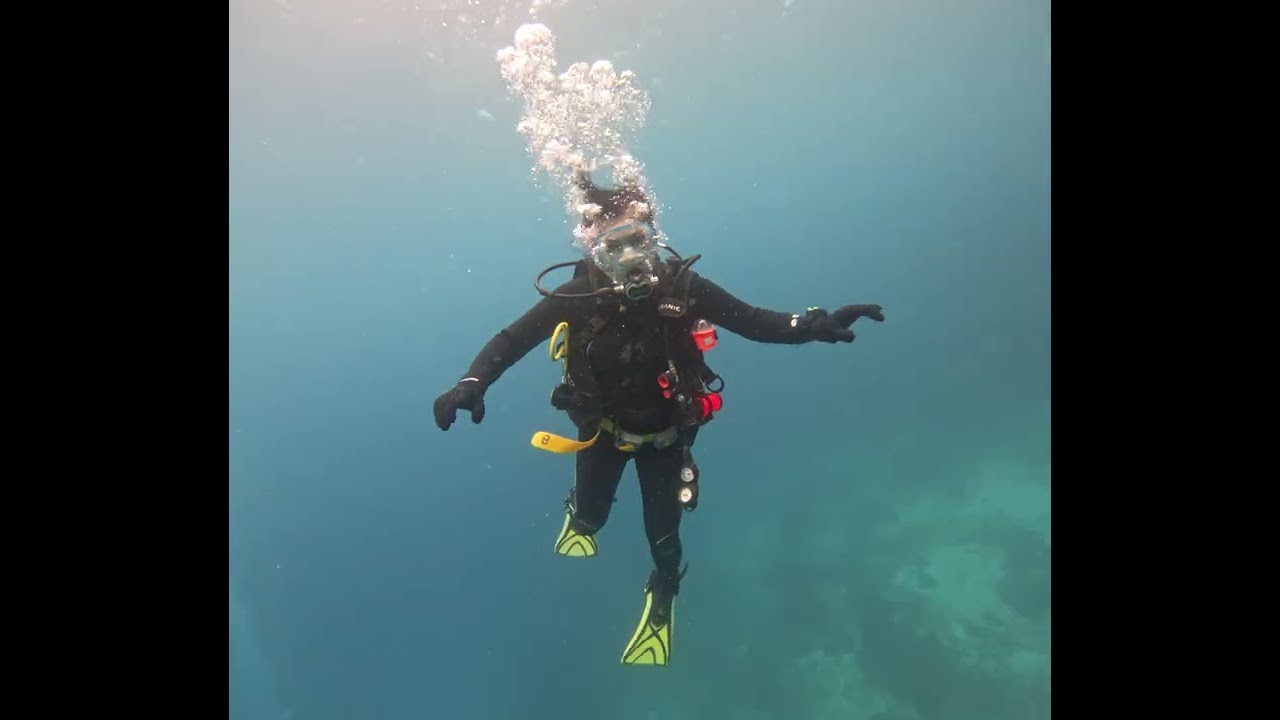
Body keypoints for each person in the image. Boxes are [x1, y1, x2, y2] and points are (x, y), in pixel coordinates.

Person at [432, 172, 884, 666]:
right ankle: (578, 514)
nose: (629, 258)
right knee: (591, 518)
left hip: (669, 438)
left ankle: (663, 594)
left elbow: (757, 322)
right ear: (593, 250)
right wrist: (473, 383)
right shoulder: (577, 298)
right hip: (600, 435)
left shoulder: (684, 288)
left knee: (664, 539)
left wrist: (814, 323)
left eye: (638, 241)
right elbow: (510, 341)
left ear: (654, 237)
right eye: (614, 247)